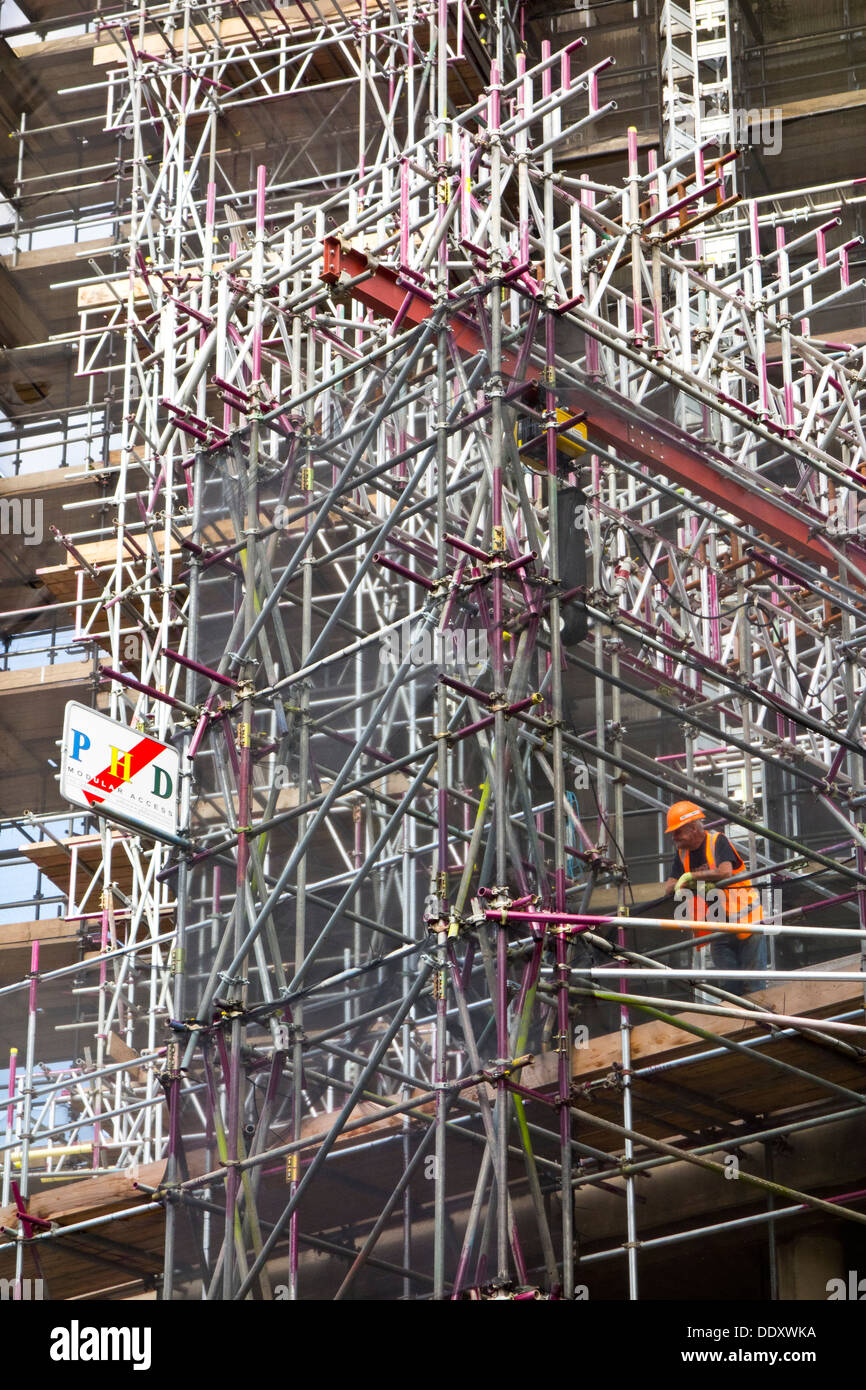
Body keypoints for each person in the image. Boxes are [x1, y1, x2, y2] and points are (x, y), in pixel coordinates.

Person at [662, 801, 767, 997]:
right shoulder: (682, 854)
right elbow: (669, 887)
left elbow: (724, 872)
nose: (674, 838)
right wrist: (690, 882)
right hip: (718, 924)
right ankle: (737, 1021)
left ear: (693, 828)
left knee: (754, 984)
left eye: (678, 832)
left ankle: (762, 1022)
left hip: (746, 919)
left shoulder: (717, 841)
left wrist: (691, 877)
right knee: (729, 987)